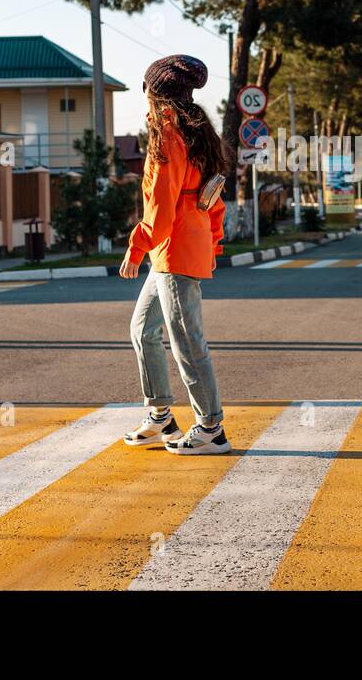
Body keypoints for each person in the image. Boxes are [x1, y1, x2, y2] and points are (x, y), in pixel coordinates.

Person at [118, 54, 231, 455]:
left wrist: (137, 246)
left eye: (146, 86)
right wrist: (213, 240)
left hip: (174, 250)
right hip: (177, 249)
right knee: (142, 330)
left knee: (186, 340)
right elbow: (214, 197)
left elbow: (161, 208)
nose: (144, 93)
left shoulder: (168, 136)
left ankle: (211, 428)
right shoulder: (199, 133)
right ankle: (161, 415)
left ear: (158, 94)